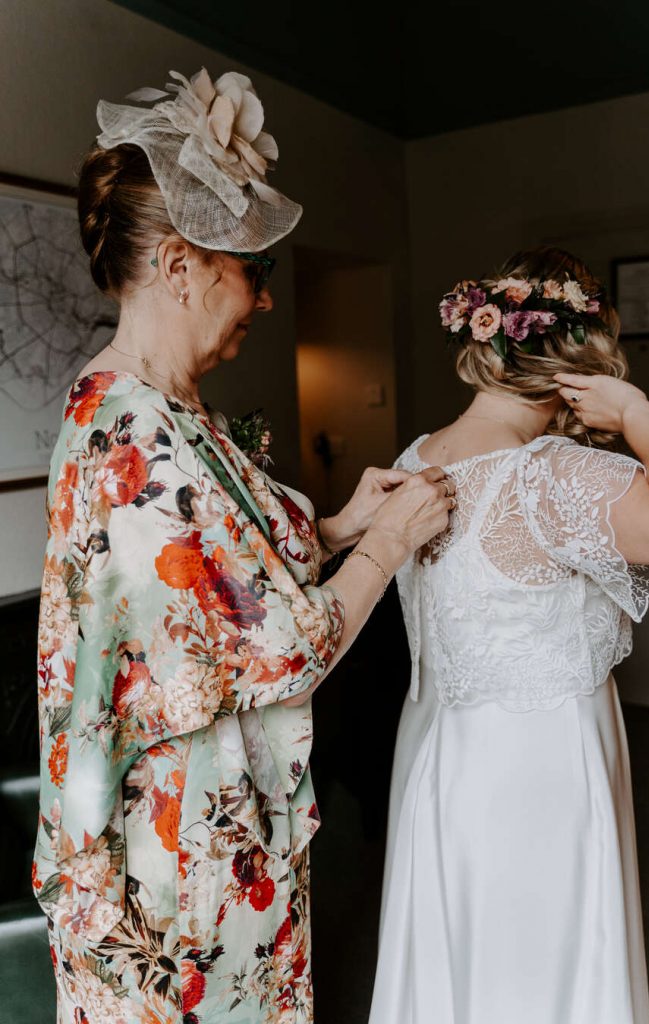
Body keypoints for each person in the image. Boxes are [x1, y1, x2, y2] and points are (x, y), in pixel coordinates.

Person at [32, 68, 452, 1024]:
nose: (263, 301)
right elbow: (282, 645)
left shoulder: (164, 409)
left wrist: (340, 523)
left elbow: (225, 564)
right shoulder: (137, 434)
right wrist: (386, 543)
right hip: (172, 854)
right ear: (181, 265)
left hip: (204, 818)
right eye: (250, 272)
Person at [368, 246, 649, 1024]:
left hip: (439, 752)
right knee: (544, 958)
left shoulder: (413, 460)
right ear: (580, 365)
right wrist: (636, 412)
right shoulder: (547, 475)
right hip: (540, 765)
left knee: (463, 953)